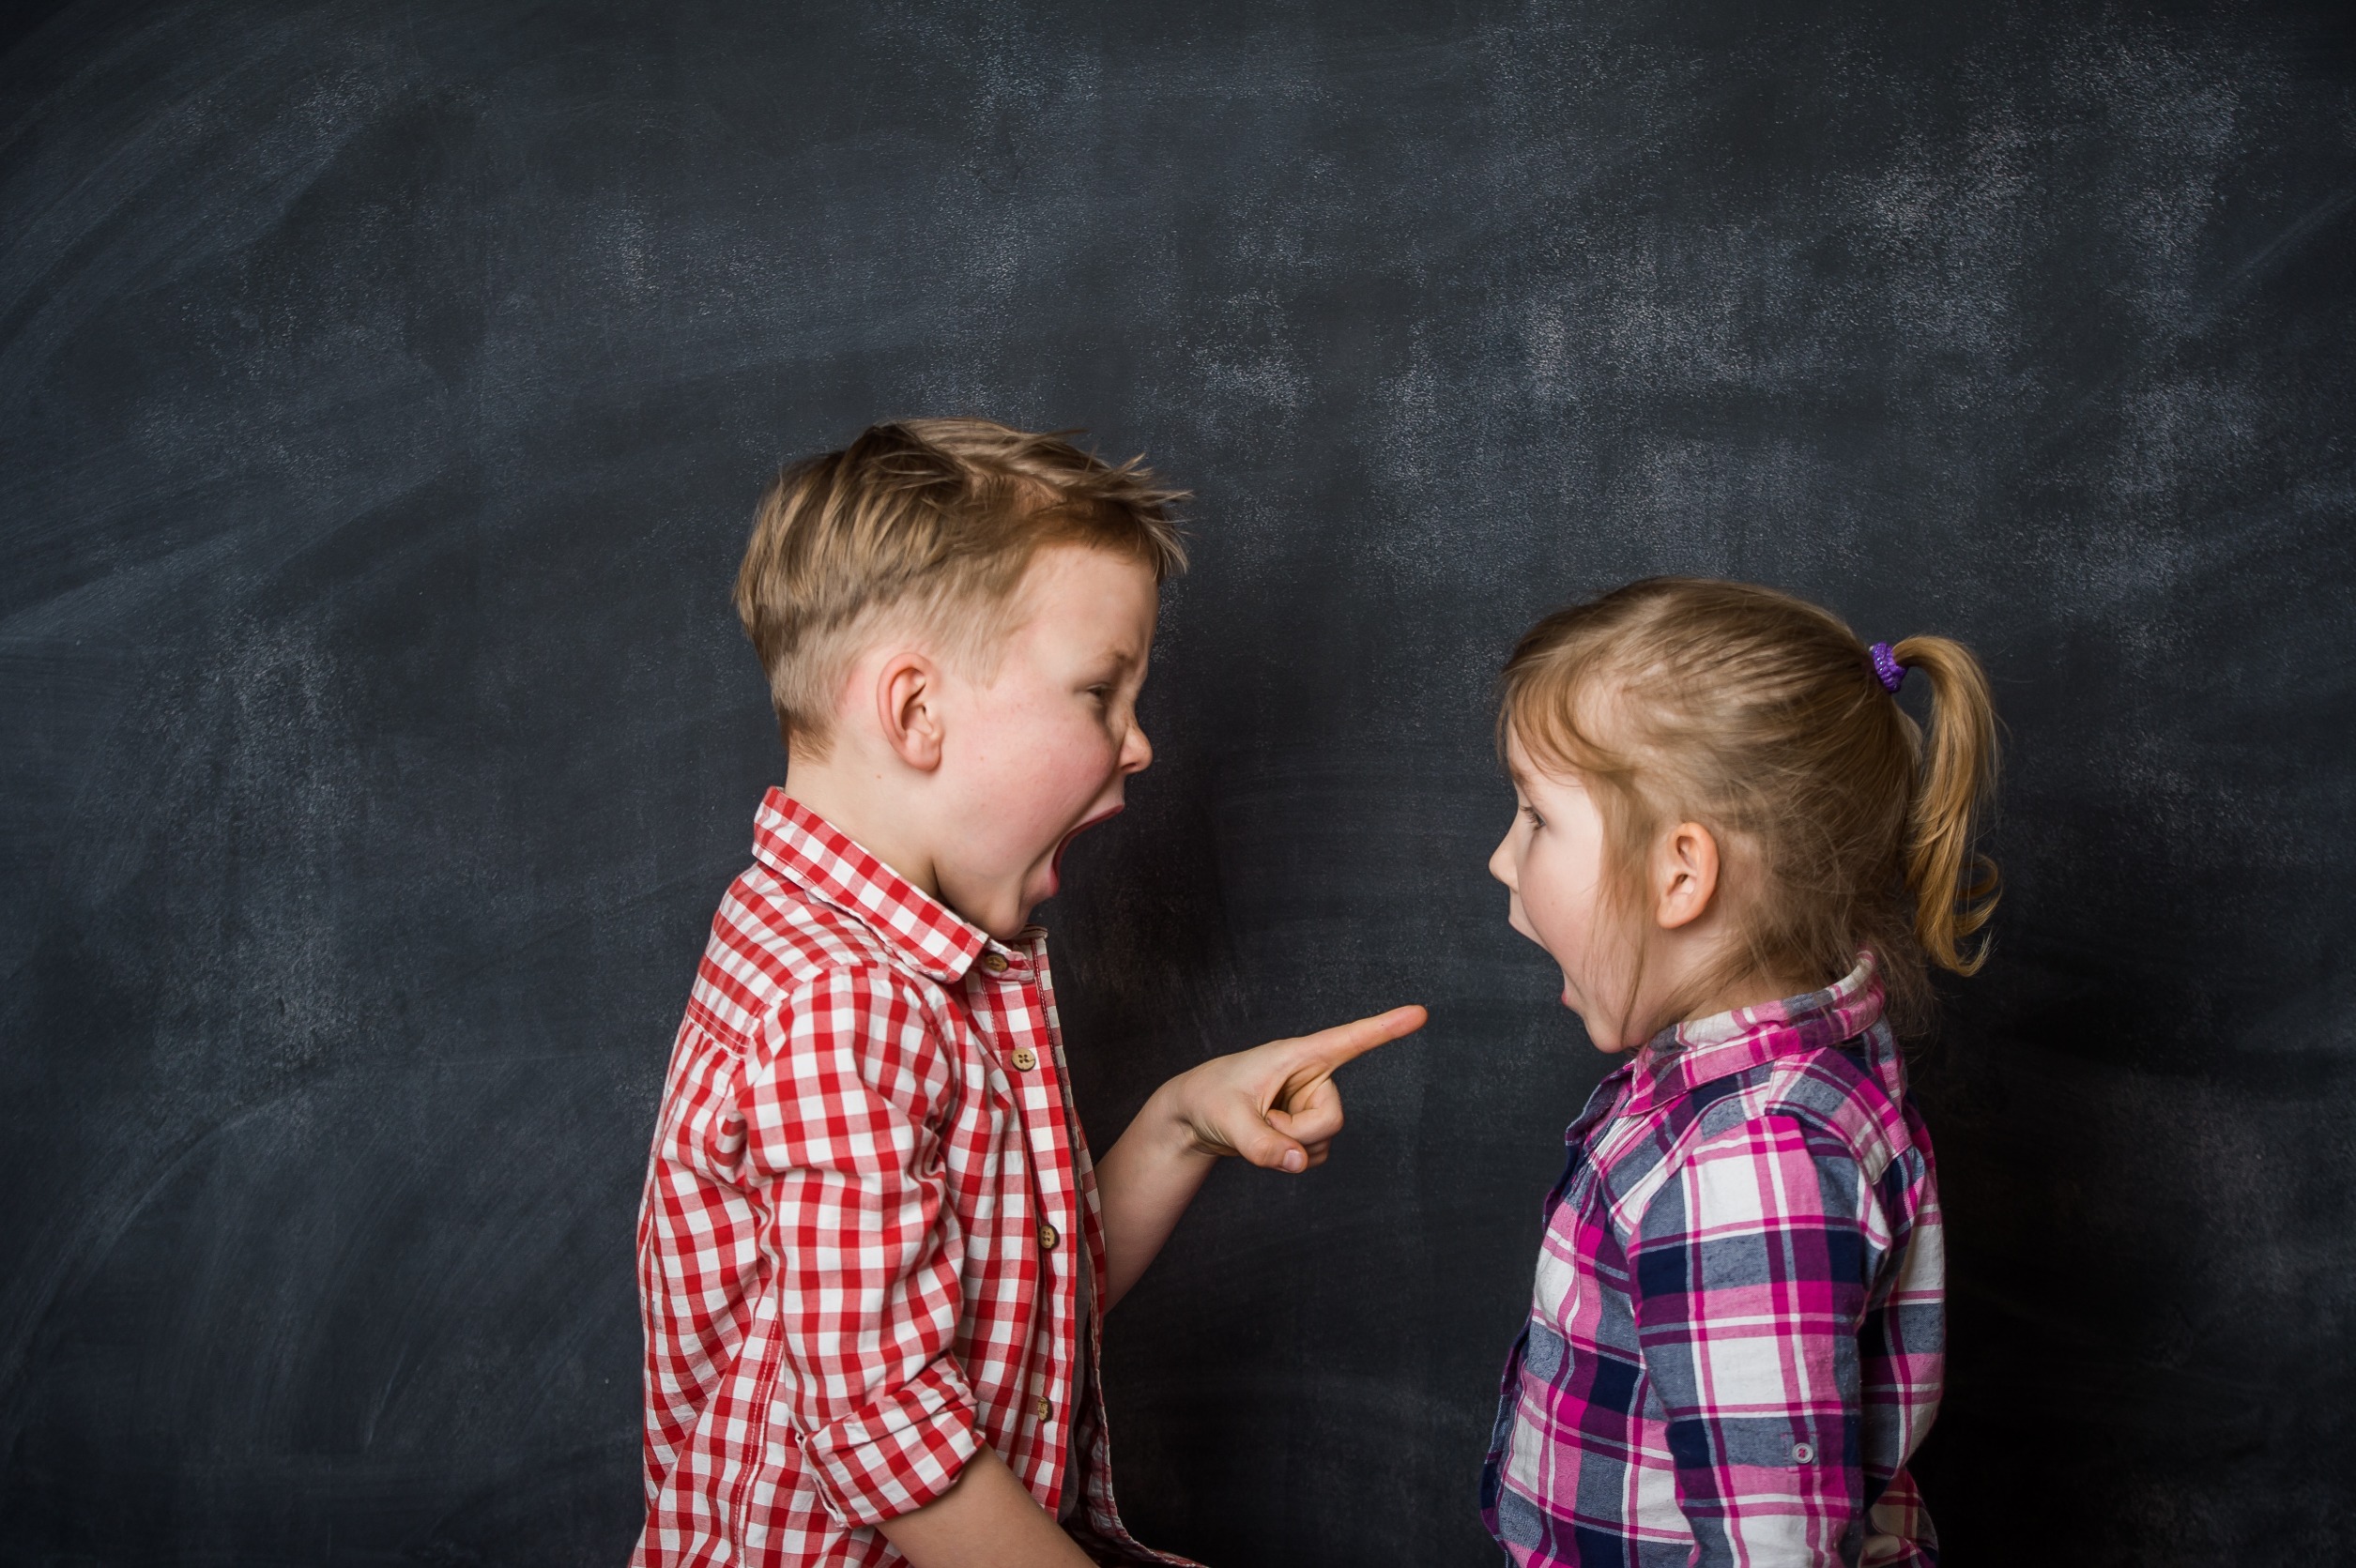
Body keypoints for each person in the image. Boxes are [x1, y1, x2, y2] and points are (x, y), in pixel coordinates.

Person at [634, 419, 1425, 1568]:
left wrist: (1180, 1124)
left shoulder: (868, 957)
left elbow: (1010, 1307)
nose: (1138, 744)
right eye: (1100, 693)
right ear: (915, 714)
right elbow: (885, 1432)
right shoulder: (841, 1003)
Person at [1480, 577, 1997, 1566]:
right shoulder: (1776, 1075)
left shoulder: (1746, 1164)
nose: (1504, 861)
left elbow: (1773, 1546)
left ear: (1680, 872)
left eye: (1535, 817)